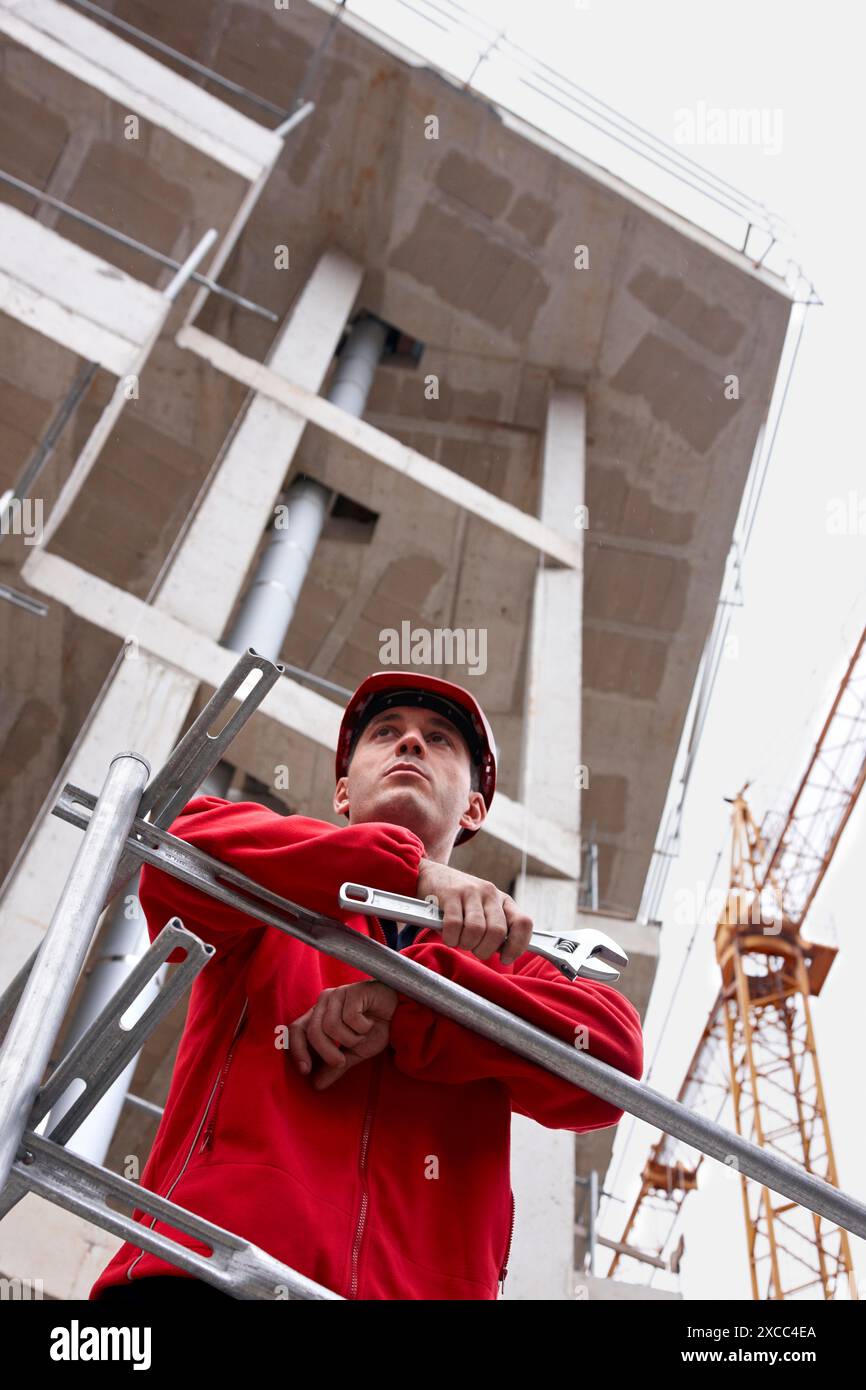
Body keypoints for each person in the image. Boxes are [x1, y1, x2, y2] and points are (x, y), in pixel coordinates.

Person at [89, 671, 643, 1303]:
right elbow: (179, 852)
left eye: (439, 740)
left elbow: (612, 1059)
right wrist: (408, 872)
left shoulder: (508, 959)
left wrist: (410, 1006)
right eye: (387, 733)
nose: (410, 744)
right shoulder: (271, 899)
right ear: (344, 793)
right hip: (209, 1273)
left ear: (474, 809)